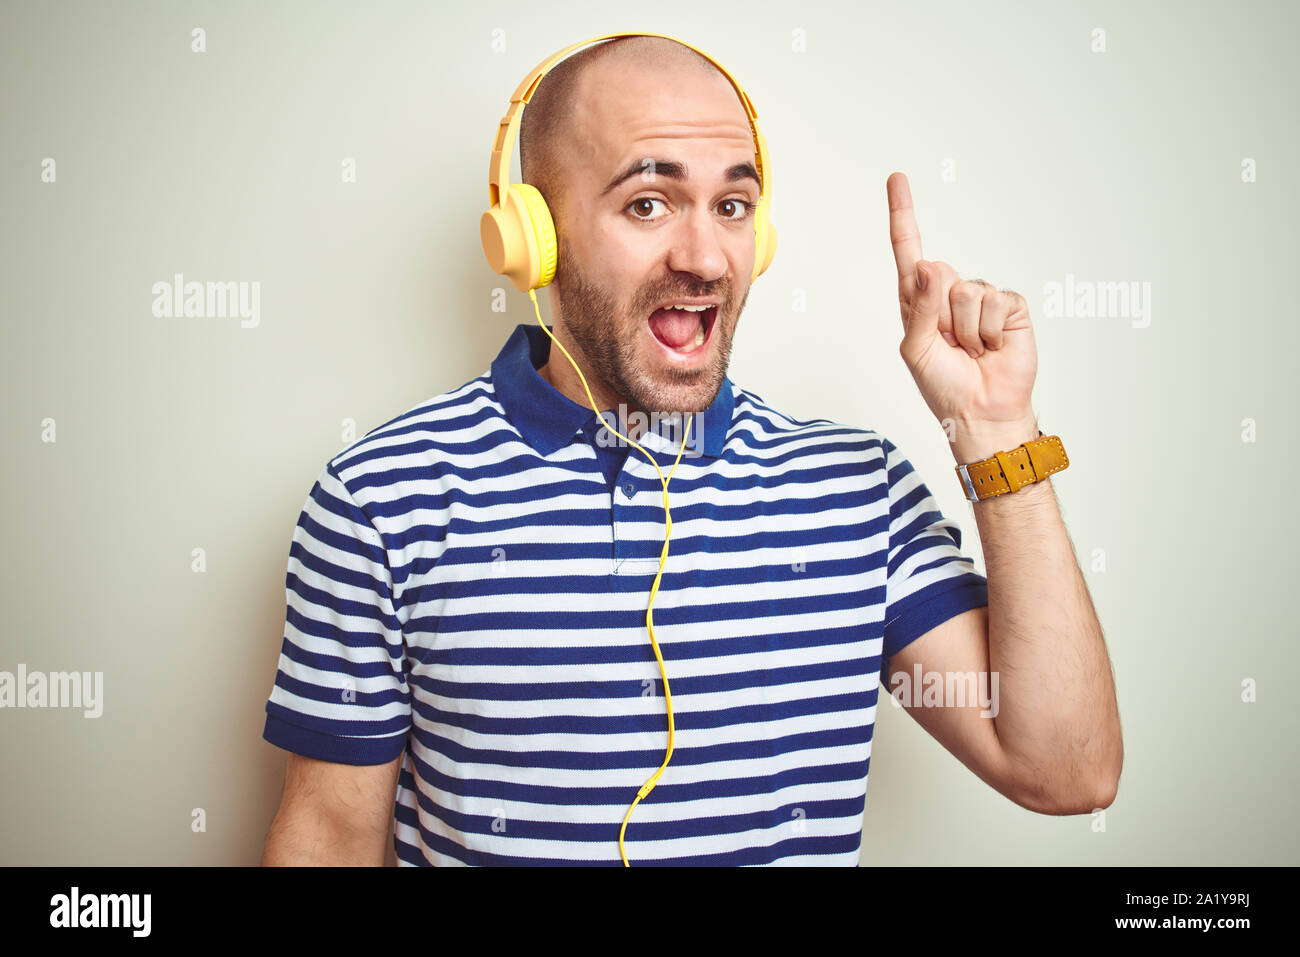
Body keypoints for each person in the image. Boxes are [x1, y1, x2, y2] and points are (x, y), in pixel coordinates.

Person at [259, 35, 1122, 866]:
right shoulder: (381, 498)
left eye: (733, 206)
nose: (706, 256)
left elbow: (1066, 769)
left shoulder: (860, 491)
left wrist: (996, 432)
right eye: (647, 202)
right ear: (533, 236)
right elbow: (328, 840)